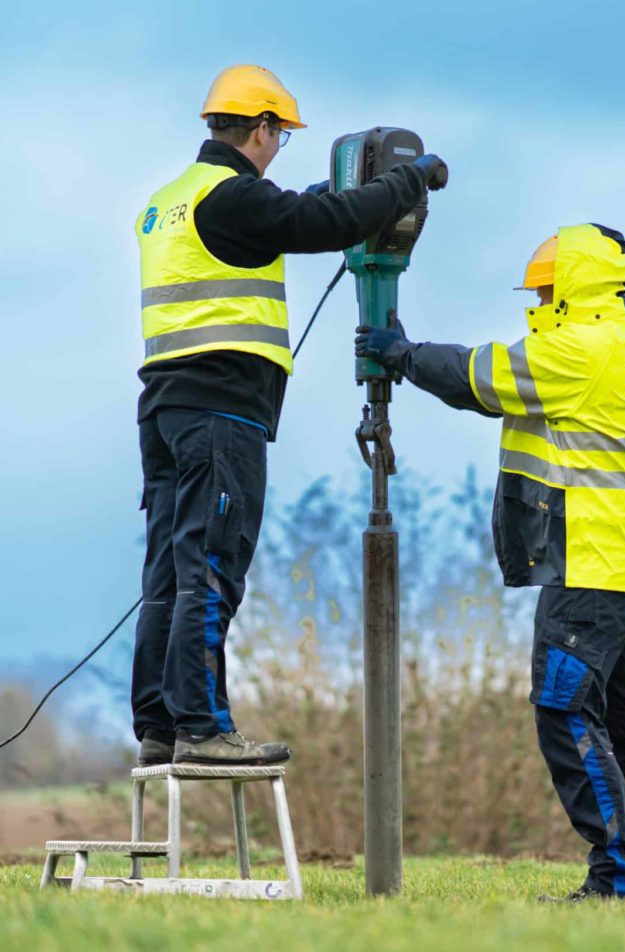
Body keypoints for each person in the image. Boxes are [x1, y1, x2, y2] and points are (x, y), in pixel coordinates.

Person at [355, 223, 625, 900]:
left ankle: (618, 878)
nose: (535, 301)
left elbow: (486, 376)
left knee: (563, 709)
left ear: (572, 286)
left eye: (543, 289)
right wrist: (415, 359)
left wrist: (404, 356)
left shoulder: (581, 348)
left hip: (588, 569)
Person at [133, 64, 447, 768]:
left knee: (167, 573)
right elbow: (323, 224)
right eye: (281, 134)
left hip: (167, 407)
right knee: (211, 567)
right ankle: (204, 729)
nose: (281, 146)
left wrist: (335, 192)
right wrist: (409, 180)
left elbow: (283, 213)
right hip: (222, 407)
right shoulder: (232, 198)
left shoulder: (173, 200)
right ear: (262, 127)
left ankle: (158, 724)